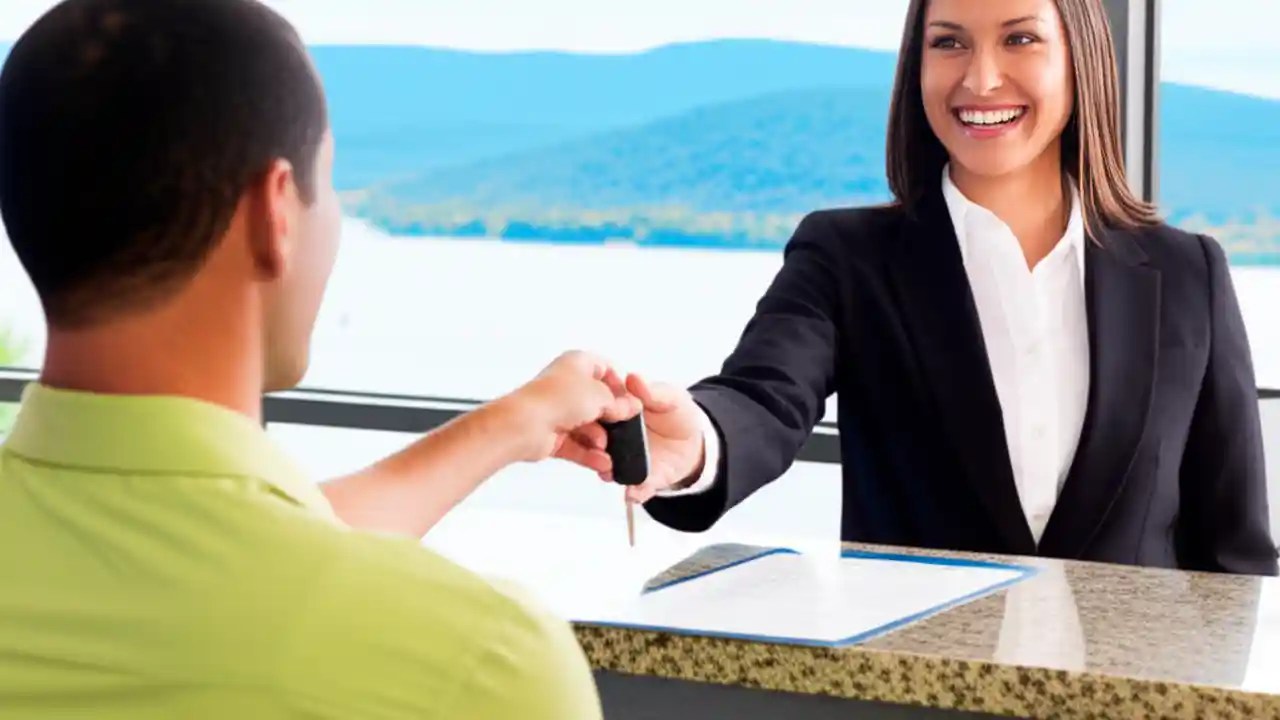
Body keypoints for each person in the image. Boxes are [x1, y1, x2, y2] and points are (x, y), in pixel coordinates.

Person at [0, 0, 632, 717]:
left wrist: (515, 422)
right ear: (275, 212)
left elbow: (187, 545)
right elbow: (248, 562)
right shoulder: (481, 664)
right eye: (325, 182)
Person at [569, 0, 1279, 576]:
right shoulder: (847, 256)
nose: (980, 79)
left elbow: (1236, 552)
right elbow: (763, 398)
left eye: (1020, 39)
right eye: (949, 44)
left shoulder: (1190, 274)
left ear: (1079, 60)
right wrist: (693, 444)